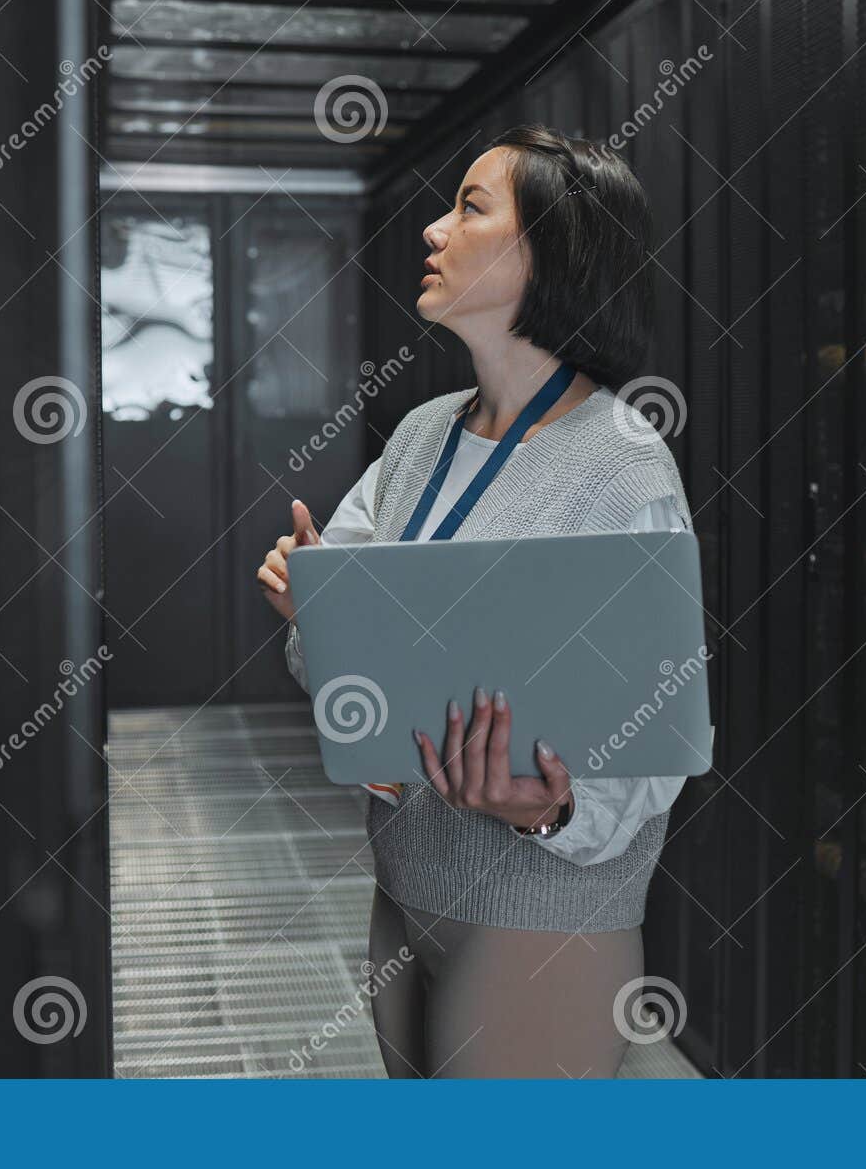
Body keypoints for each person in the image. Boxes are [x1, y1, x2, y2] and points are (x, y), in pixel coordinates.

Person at [257, 124, 696, 1078]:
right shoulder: (420, 434)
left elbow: (655, 735)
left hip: (541, 930)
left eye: (469, 207)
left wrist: (546, 811)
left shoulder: (623, 466)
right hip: (408, 894)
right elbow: (355, 680)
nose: (432, 229)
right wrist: (316, 609)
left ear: (551, 253)